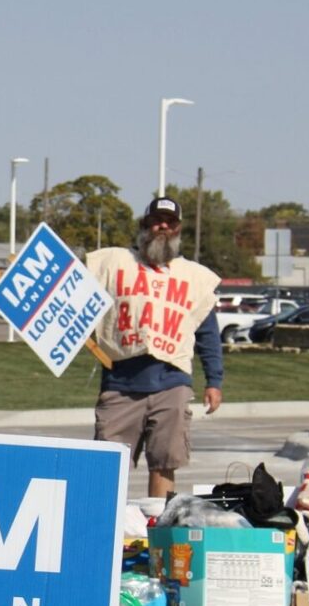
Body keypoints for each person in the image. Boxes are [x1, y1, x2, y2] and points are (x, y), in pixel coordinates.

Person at [84, 197, 223, 498]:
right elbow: (71, 292)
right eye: (156, 220)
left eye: (169, 222)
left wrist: (214, 381)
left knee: (164, 462)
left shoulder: (193, 277)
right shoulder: (115, 263)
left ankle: (154, 530)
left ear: (178, 229)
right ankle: (104, 530)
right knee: (107, 465)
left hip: (171, 383)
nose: (163, 226)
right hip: (120, 382)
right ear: (145, 225)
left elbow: (208, 333)